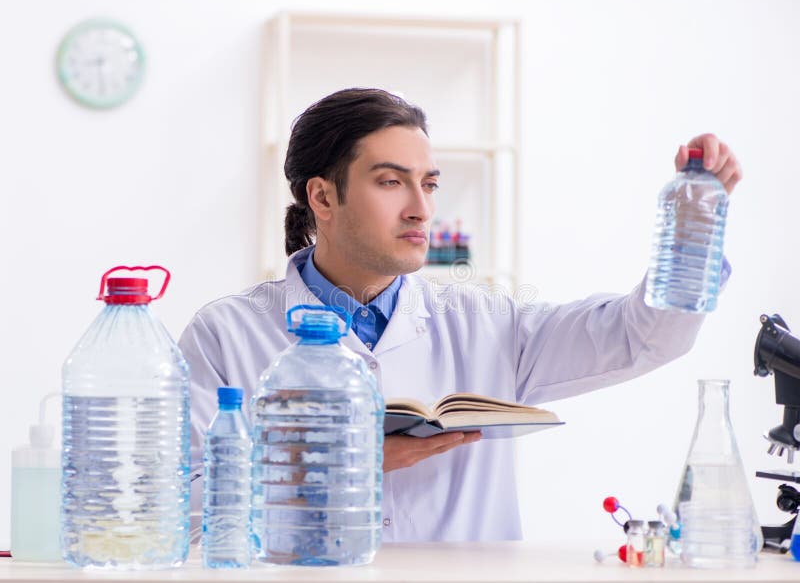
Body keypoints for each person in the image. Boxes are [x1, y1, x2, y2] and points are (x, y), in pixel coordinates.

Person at [178, 87, 741, 542]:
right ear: (322, 198)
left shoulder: (487, 323)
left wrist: (694, 236)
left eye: (428, 184)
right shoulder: (227, 334)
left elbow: (640, 338)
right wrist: (342, 464)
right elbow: (184, 505)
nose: (421, 208)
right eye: (391, 182)